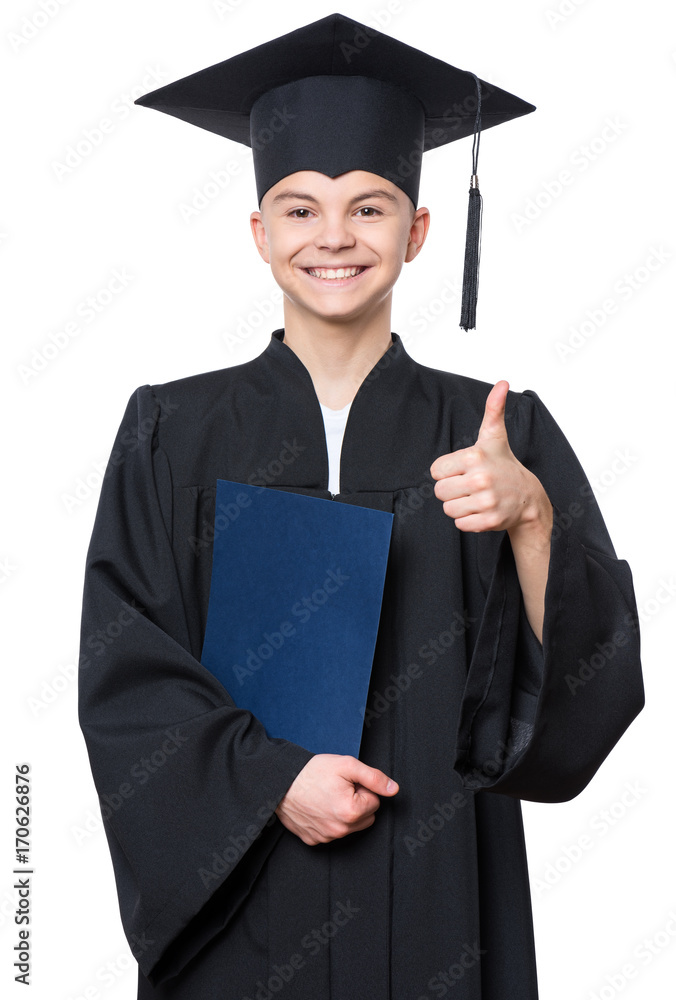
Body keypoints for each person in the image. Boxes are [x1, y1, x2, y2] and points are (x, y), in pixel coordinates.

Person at [77, 13, 645, 999]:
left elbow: (592, 682)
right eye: (298, 210)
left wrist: (529, 519)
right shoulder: (171, 428)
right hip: (245, 905)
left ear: (418, 231)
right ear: (258, 234)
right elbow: (123, 665)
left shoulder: (498, 433)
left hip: (440, 898)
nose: (332, 236)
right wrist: (266, 780)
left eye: (369, 208)